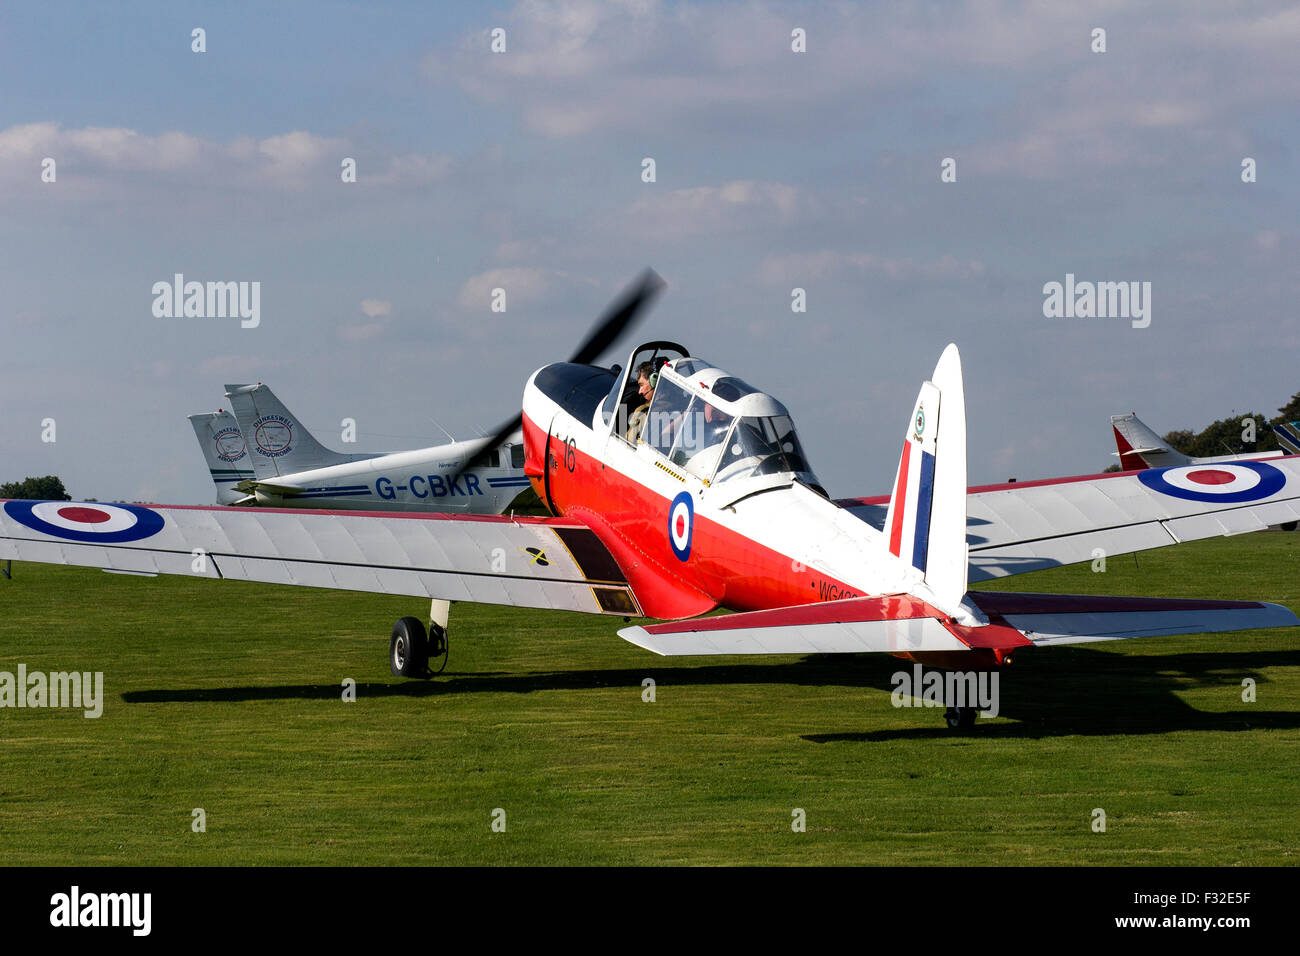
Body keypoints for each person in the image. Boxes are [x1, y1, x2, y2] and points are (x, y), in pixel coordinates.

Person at [625, 361, 657, 443]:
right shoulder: (681, 406)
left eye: (641, 385)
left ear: (654, 381)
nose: (640, 391)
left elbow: (629, 442)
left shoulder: (642, 412)